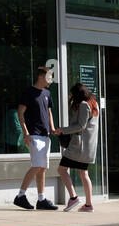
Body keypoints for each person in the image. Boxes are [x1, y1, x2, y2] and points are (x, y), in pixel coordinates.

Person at [13, 66, 57, 210]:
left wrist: (52, 127)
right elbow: (21, 112)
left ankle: (41, 199)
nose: (50, 81)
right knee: (37, 166)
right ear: (41, 76)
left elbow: (49, 111)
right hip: (33, 134)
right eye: (49, 78)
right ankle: (20, 196)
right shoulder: (29, 92)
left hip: (45, 135)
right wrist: (25, 132)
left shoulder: (47, 93)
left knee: (42, 168)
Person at [54, 83, 99, 211]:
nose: (71, 96)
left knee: (62, 170)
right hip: (87, 147)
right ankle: (88, 205)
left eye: (72, 94)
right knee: (84, 173)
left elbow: (81, 126)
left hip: (78, 146)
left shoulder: (84, 105)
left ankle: (74, 197)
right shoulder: (93, 103)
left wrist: (62, 130)